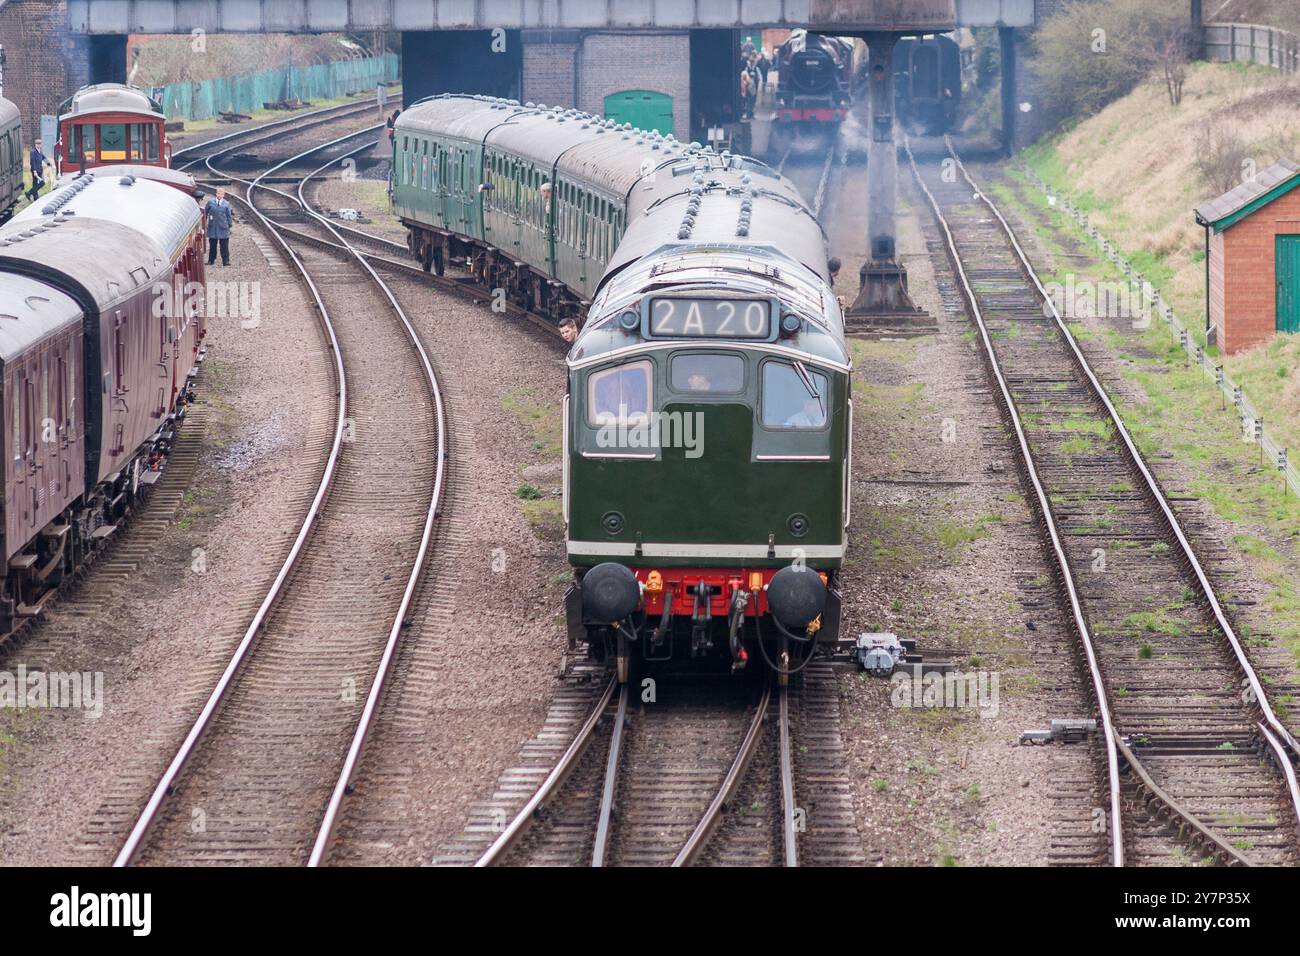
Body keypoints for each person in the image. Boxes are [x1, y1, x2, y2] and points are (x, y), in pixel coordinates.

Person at [204, 188, 234, 266]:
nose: (219, 195)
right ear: (216, 194)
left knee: (224, 245)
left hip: (223, 227)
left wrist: (229, 225)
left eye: (221, 194)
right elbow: (205, 213)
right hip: (213, 227)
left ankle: (226, 261)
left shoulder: (226, 204)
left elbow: (229, 215)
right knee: (212, 245)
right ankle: (211, 260)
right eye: (218, 193)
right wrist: (205, 223)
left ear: (223, 195)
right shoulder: (210, 203)